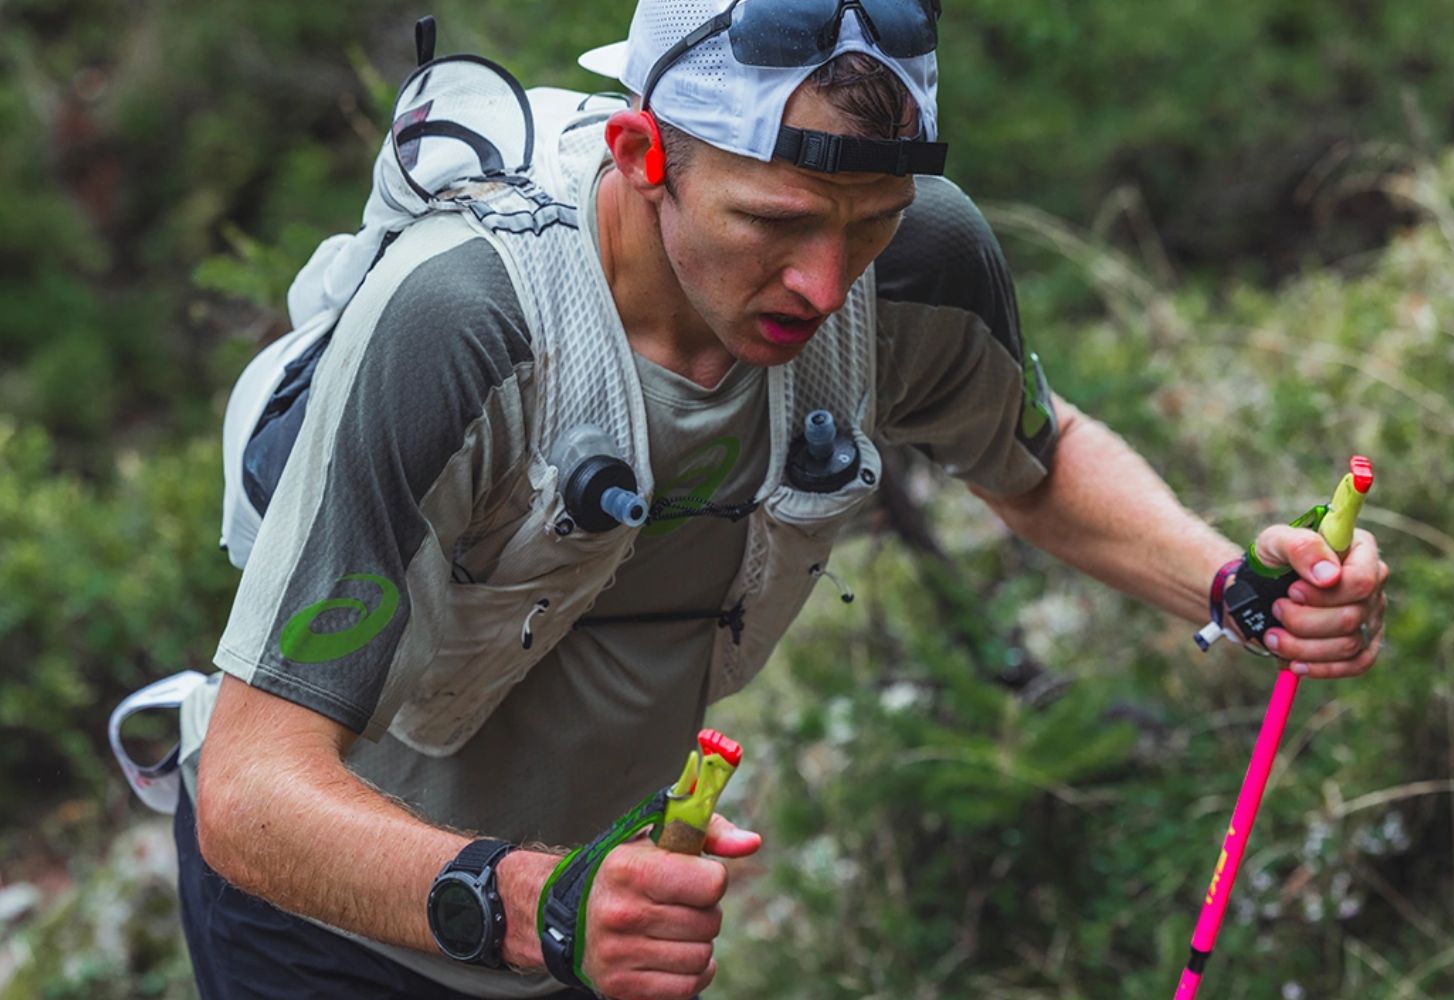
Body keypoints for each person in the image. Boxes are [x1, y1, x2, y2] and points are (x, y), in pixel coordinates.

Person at [173, 1, 1390, 998]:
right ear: (643, 157)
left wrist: (1235, 587)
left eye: (868, 227)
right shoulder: (468, 326)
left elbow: (1037, 458)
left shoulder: (916, 264)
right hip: (336, 925)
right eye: (775, 223)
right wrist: (531, 907)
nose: (822, 281)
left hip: (605, 915)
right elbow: (249, 788)